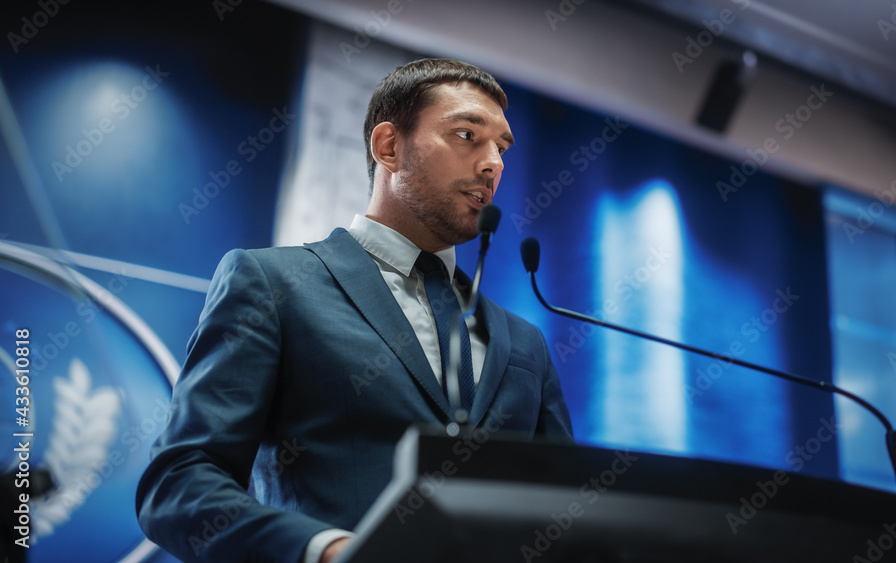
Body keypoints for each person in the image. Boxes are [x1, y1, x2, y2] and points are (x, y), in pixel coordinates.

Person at [135, 58, 574, 563]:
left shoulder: (525, 343)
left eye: (501, 146)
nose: (493, 162)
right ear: (389, 146)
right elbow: (179, 483)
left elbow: (567, 505)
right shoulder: (273, 284)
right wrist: (328, 551)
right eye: (466, 135)